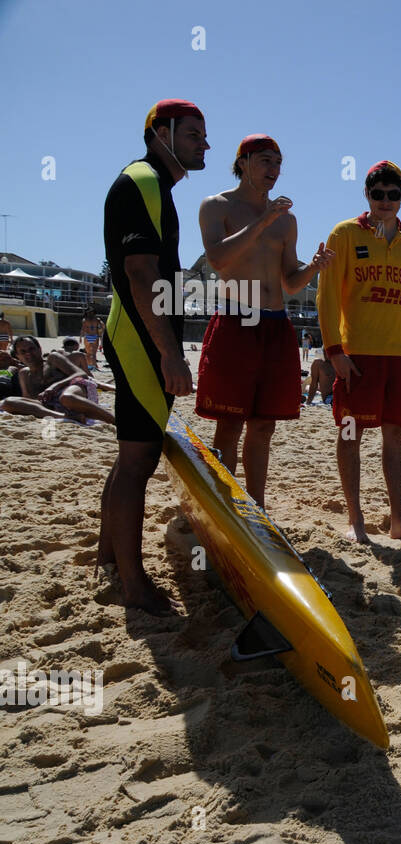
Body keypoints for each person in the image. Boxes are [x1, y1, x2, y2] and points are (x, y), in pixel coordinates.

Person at [98, 100, 208, 614]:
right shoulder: (142, 181)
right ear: (159, 132)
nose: (203, 144)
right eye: (192, 134)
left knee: (131, 455)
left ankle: (107, 558)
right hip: (139, 339)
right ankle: (133, 583)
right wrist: (171, 353)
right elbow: (140, 274)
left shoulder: (155, 186)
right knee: (139, 460)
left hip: (138, 334)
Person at [194, 134, 334, 508]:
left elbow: (289, 281)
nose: (274, 170)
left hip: (275, 323)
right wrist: (263, 219)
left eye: (277, 162)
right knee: (229, 422)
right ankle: (222, 502)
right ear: (242, 162)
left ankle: (254, 505)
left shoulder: (286, 221)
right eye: (265, 161)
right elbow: (219, 259)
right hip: (235, 321)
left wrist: (313, 269)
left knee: (264, 424)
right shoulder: (216, 206)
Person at [317, 159, 401, 545]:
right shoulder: (345, 234)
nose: (386, 201)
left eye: (393, 194)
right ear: (367, 195)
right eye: (378, 194)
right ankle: (355, 519)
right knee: (351, 433)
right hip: (358, 357)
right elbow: (328, 296)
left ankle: (400, 520)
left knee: (397, 436)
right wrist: (335, 351)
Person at [0, 335, 115, 425]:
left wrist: (54, 386)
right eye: (23, 352)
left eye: (31, 349)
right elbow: (28, 399)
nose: (28, 353)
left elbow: (81, 374)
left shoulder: (53, 359)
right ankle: (64, 417)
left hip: (73, 389)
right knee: (7, 402)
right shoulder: (24, 374)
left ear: (39, 349)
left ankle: (115, 420)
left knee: (67, 397)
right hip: (52, 404)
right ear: (17, 356)